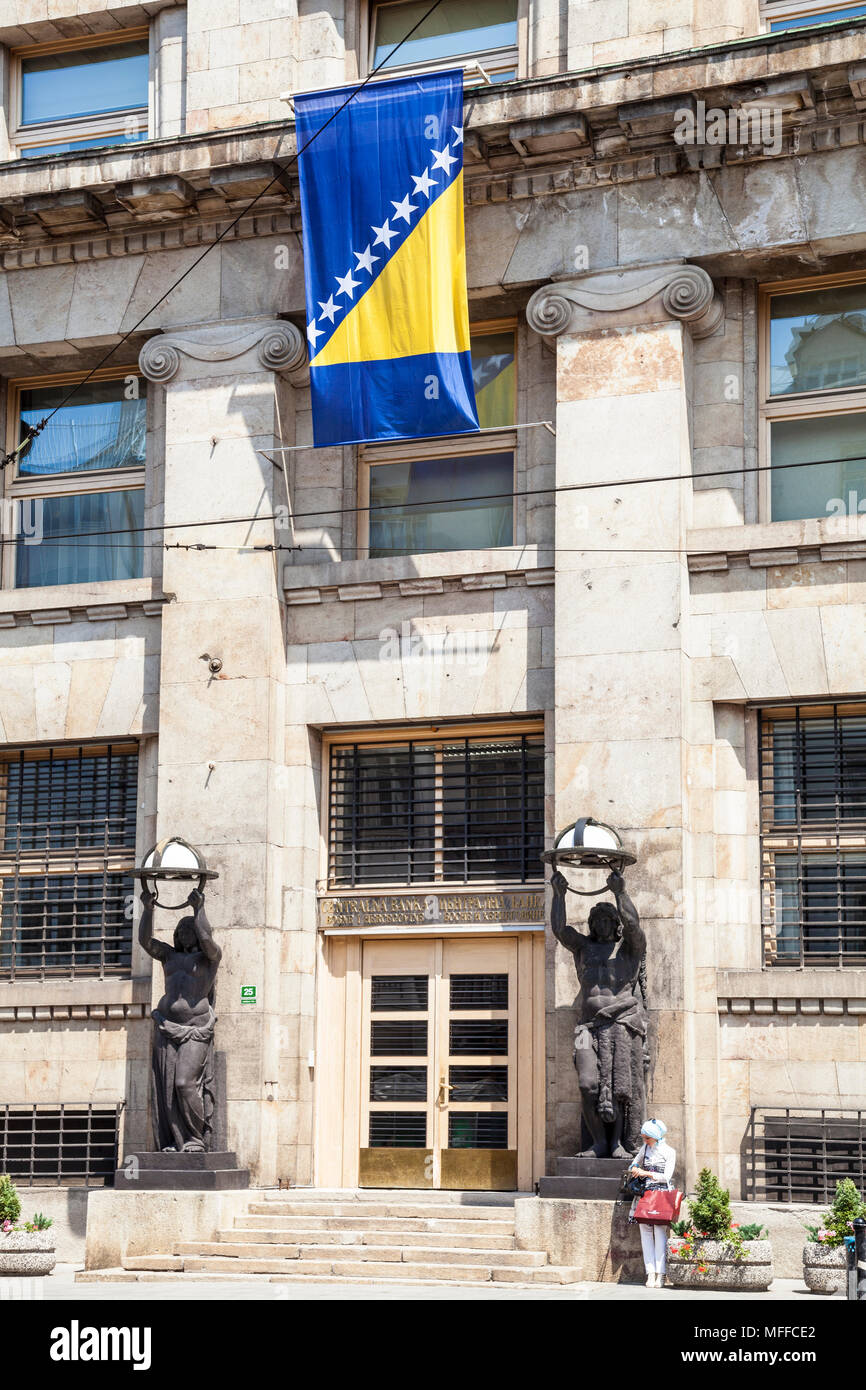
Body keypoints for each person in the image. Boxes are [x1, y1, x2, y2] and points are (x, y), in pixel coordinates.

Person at [550, 868, 648, 1158]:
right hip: (587, 1029)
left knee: (619, 1085)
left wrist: (620, 892)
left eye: (608, 919)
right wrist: (559, 895)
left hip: (622, 1025)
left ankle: (615, 1144)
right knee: (587, 1084)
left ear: (616, 923)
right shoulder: (584, 948)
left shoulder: (629, 950)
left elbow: (634, 925)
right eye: (597, 920)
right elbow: (559, 930)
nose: (603, 924)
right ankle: (597, 1142)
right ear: (592, 924)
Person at [139, 886, 222, 1152]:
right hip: (166, 1027)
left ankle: (197, 1139)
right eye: (180, 930)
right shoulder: (169, 956)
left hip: (195, 1030)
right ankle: (176, 1140)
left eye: (189, 929)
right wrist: (148, 909)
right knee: (167, 1090)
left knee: (184, 1083)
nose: (184, 933)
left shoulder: (209, 958)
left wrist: (199, 910)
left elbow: (208, 939)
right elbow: (145, 942)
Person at [628, 1118, 676, 1288]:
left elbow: (666, 1176)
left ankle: (661, 1274)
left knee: (659, 1233)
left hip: (661, 1195)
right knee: (645, 1233)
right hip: (644, 1195)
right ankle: (650, 1273)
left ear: (656, 1136)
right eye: (644, 1138)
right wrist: (634, 1167)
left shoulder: (669, 1152)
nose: (645, 1141)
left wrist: (645, 1173)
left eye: (647, 1138)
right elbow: (634, 1162)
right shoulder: (645, 1148)